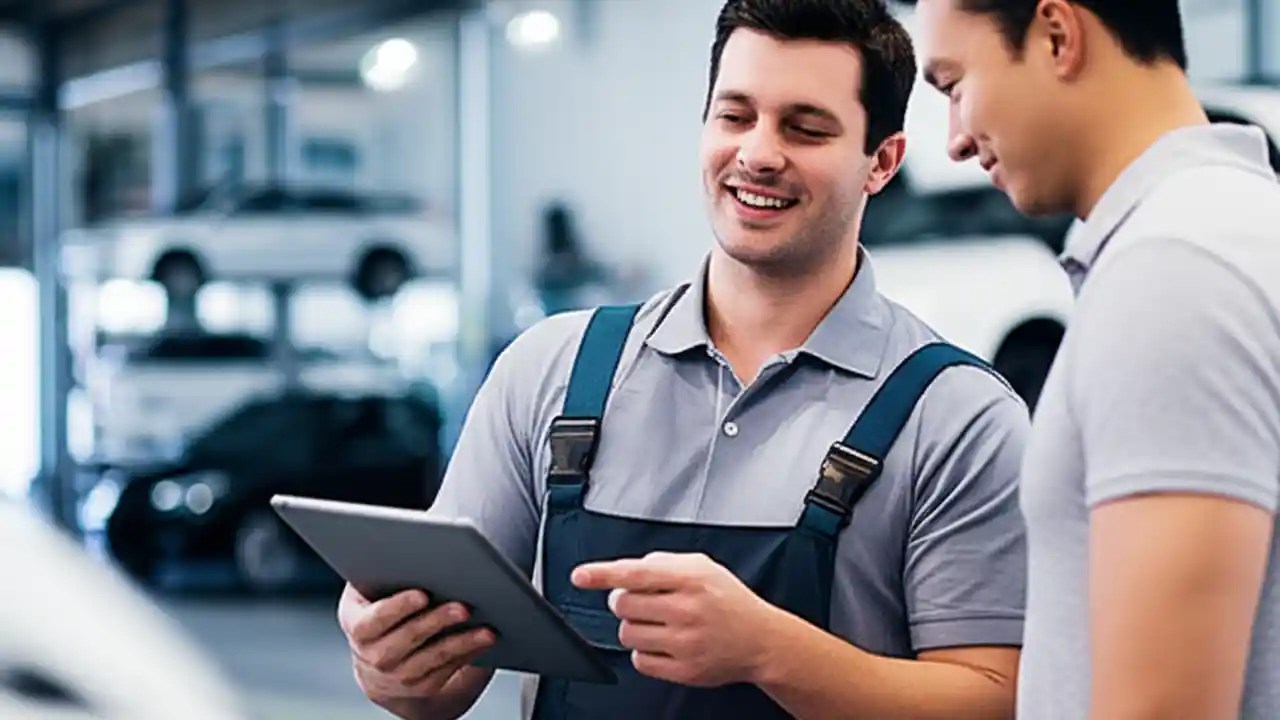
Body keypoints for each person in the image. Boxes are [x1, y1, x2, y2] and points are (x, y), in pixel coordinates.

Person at [338, 1, 1031, 718]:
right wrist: (390, 661)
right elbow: (438, 687)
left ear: (881, 161)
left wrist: (770, 651)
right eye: (735, 117)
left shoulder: (957, 419)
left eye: (806, 127)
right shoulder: (549, 372)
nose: (759, 153)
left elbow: (995, 700)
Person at [914, 1, 1280, 718]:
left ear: (1057, 35)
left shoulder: (1175, 269)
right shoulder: (1228, 231)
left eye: (955, 85)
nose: (954, 140)